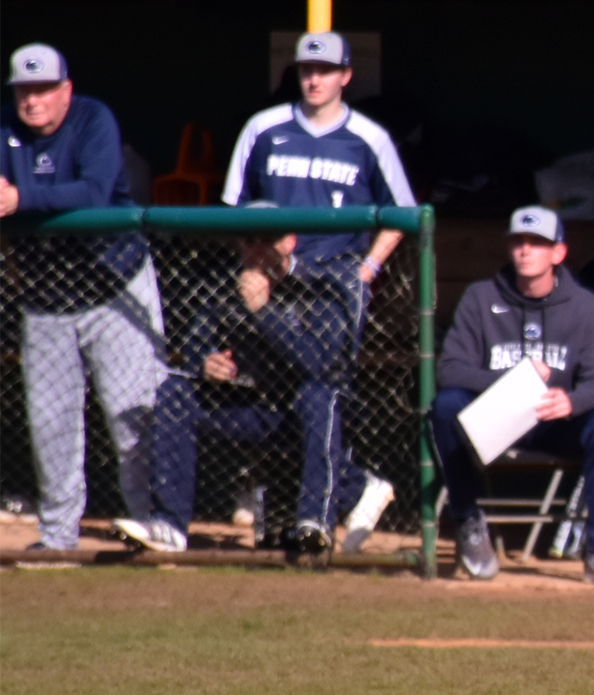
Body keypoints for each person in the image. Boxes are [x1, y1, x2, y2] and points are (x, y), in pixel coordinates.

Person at [221, 30, 409, 552]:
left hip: (333, 283)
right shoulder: (263, 128)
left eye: (326, 70)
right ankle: (355, 487)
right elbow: (234, 209)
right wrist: (252, 267)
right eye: (307, 69)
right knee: (282, 397)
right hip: (274, 282)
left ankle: (315, 517)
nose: (315, 78)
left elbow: (402, 215)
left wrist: (366, 271)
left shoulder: (368, 138)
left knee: (319, 389)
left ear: (346, 76)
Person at [113, 215, 377, 554]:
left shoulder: (317, 285)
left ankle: (316, 524)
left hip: (303, 412)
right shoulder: (228, 285)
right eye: (248, 240)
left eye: (265, 240)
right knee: (175, 393)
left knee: (318, 396)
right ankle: (169, 525)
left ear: (288, 242)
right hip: (250, 407)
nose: (254, 250)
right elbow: (195, 346)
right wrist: (207, 362)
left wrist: (265, 313)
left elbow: (318, 366)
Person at [0, 44, 168, 554]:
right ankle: (58, 538)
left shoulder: (94, 118)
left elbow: (94, 193)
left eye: (44, 89)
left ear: (65, 89)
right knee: (51, 426)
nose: (33, 100)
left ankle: (152, 527)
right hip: (46, 297)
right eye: (24, 90)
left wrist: (20, 200)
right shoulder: (5, 129)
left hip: (113, 289)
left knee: (132, 416)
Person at [429, 206, 594, 591]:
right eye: (519, 242)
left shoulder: (584, 307)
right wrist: (510, 379)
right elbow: (450, 371)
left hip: (553, 422)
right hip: (497, 421)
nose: (526, 250)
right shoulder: (481, 297)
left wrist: (572, 402)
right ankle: (468, 521)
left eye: (537, 243)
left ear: (558, 253)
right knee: (445, 406)